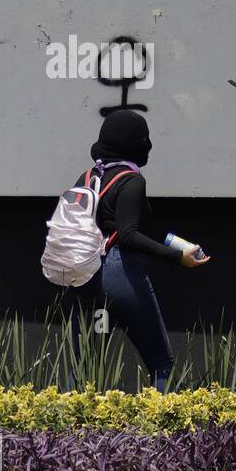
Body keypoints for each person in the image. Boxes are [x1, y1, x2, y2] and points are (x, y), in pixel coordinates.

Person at [65, 110, 210, 391]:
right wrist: (178, 256)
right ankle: (166, 430)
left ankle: (67, 433)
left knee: (82, 368)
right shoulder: (131, 180)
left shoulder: (85, 178)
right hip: (120, 274)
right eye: (143, 139)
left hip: (82, 275)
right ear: (133, 143)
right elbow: (128, 235)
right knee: (160, 363)